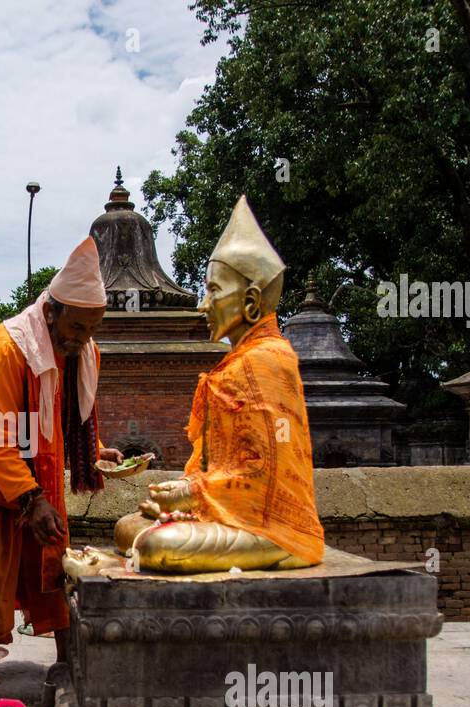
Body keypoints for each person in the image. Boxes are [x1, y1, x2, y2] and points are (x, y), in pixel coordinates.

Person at [0, 236, 122, 676]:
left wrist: (92, 449)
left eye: (93, 329)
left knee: (53, 551)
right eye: (77, 328)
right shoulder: (9, 347)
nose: (84, 340)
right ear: (51, 312)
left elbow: (65, 410)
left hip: (28, 460)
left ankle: (69, 659)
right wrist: (32, 499)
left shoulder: (81, 350)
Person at [114, 195, 325, 572]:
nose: (203, 305)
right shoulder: (235, 364)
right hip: (229, 515)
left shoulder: (267, 360)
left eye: (214, 291)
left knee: (157, 546)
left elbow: (263, 476)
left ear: (250, 301)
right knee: (127, 529)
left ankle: (282, 550)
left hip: (271, 526)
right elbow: (217, 468)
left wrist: (188, 495)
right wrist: (184, 496)